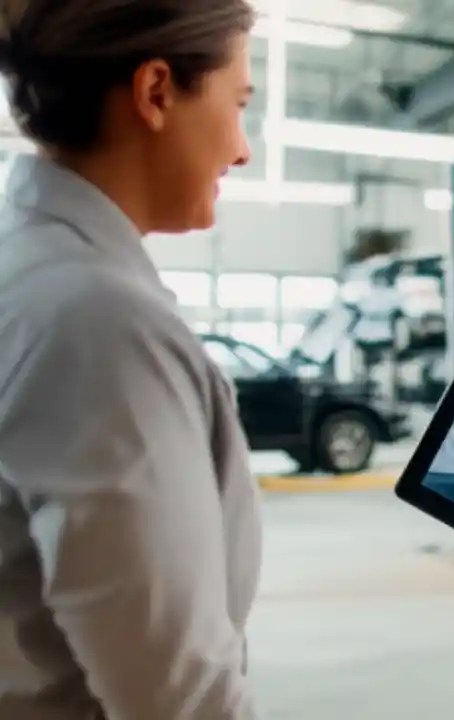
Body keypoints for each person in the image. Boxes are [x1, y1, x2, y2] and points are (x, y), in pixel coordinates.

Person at [0, 2, 261, 718]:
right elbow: (174, 696)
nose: (241, 149)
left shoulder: (33, 268)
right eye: (238, 104)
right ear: (155, 94)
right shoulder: (95, 319)